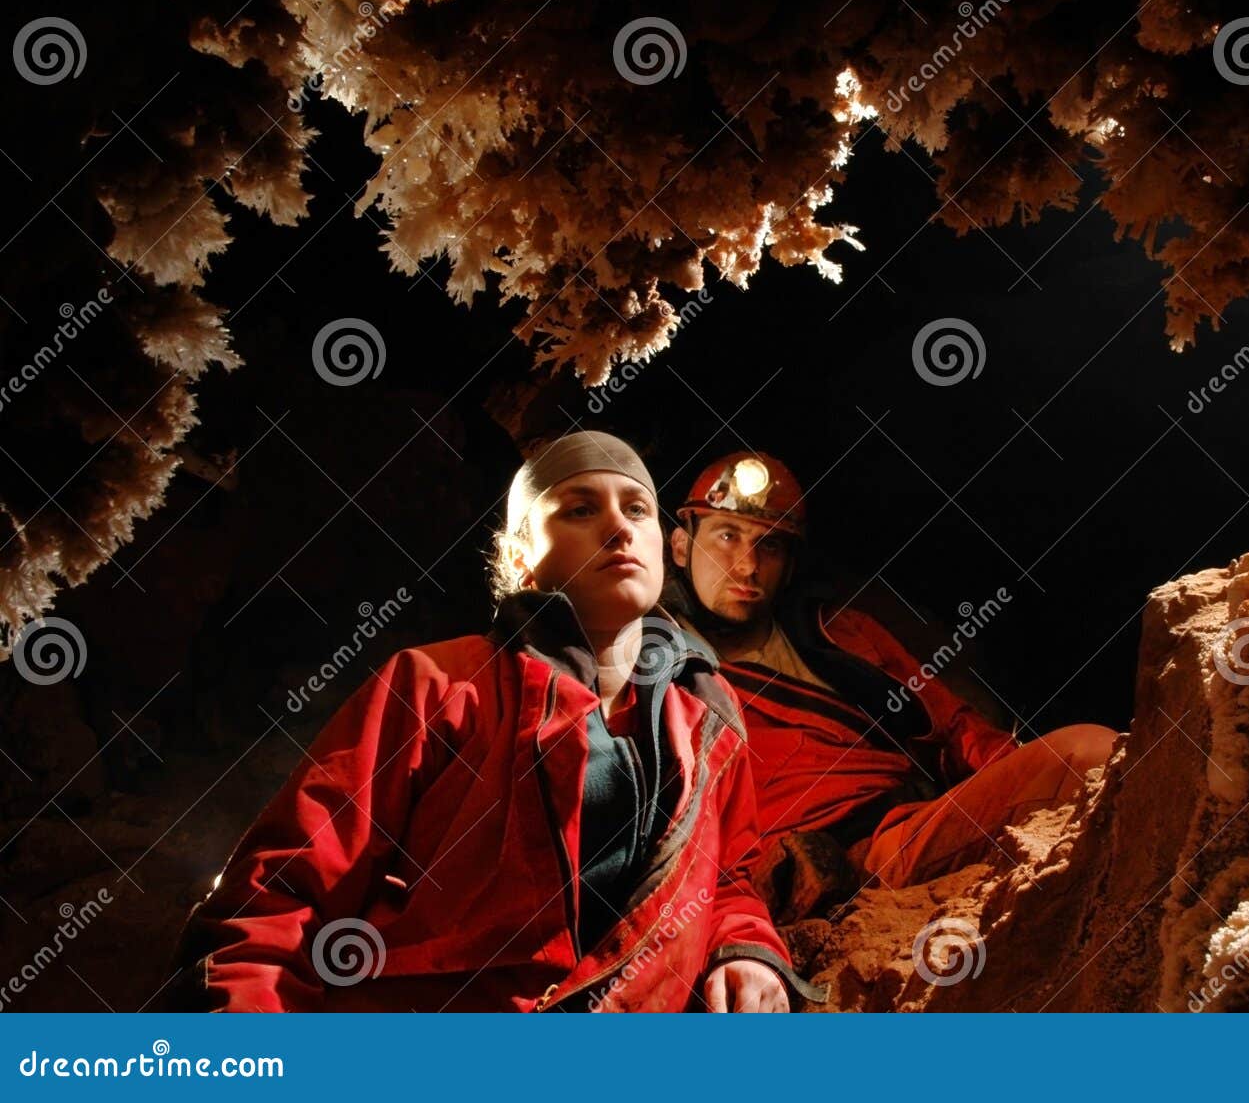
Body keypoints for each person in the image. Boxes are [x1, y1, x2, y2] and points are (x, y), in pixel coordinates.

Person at [165, 431, 821, 1012]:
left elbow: (727, 875)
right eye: (580, 509)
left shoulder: (706, 717)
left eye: (636, 509)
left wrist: (745, 948)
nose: (618, 529)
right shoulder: (438, 687)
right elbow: (282, 895)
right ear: (519, 558)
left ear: (661, 543)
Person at [666, 451, 1119, 902]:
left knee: (1095, 755)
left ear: (789, 565)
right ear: (682, 546)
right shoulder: (663, 669)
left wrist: (1014, 777)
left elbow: (956, 726)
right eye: (727, 535)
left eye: (769, 545)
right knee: (1087, 755)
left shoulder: (842, 632)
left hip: (910, 828)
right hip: (820, 867)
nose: (746, 565)